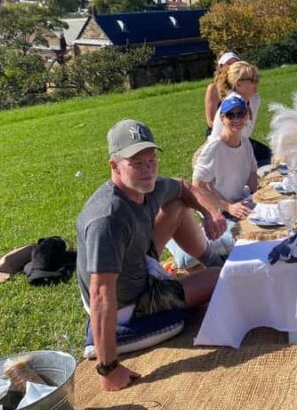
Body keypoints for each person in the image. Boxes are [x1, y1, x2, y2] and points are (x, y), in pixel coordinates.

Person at [76, 119, 227, 391]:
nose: (147, 170)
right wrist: (108, 368)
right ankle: (216, 269)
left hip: (136, 261)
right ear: (114, 166)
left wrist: (209, 213)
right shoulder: (108, 219)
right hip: (130, 301)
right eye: (137, 163)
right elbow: (100, 293)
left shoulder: (149, 186)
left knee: (178, 206)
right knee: (219, 279)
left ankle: (213, 257)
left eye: (151, 160)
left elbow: (183, 188)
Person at [166, 95, 258, 266]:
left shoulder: (245, 143)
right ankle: (176, 242)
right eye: (231, 115)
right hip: (221, 213)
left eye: (241, 114)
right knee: (240, 242)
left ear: (247, 116)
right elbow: (197, 187)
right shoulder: (214, 148)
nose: (237, 119)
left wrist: (260, 198)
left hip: (239, 205)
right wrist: (228, 207)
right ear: (222, 119)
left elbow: (253, 177)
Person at [211, 60, 271, 165]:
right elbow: (230, 143)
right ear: (238, 84)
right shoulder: (233, 105)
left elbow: (243, 138)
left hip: (240, 146)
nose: (257, 83)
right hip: (221, 155)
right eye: (252, 80)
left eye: (257, 78)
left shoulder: (254, 100)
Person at [204, 51, 240, 137]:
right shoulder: (213, 89)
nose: (232, 67)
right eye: (229, 64)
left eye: (236, 64)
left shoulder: (240, 87)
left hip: (237, 133)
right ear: (221, 67)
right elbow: (211, 122)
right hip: (217, 135)